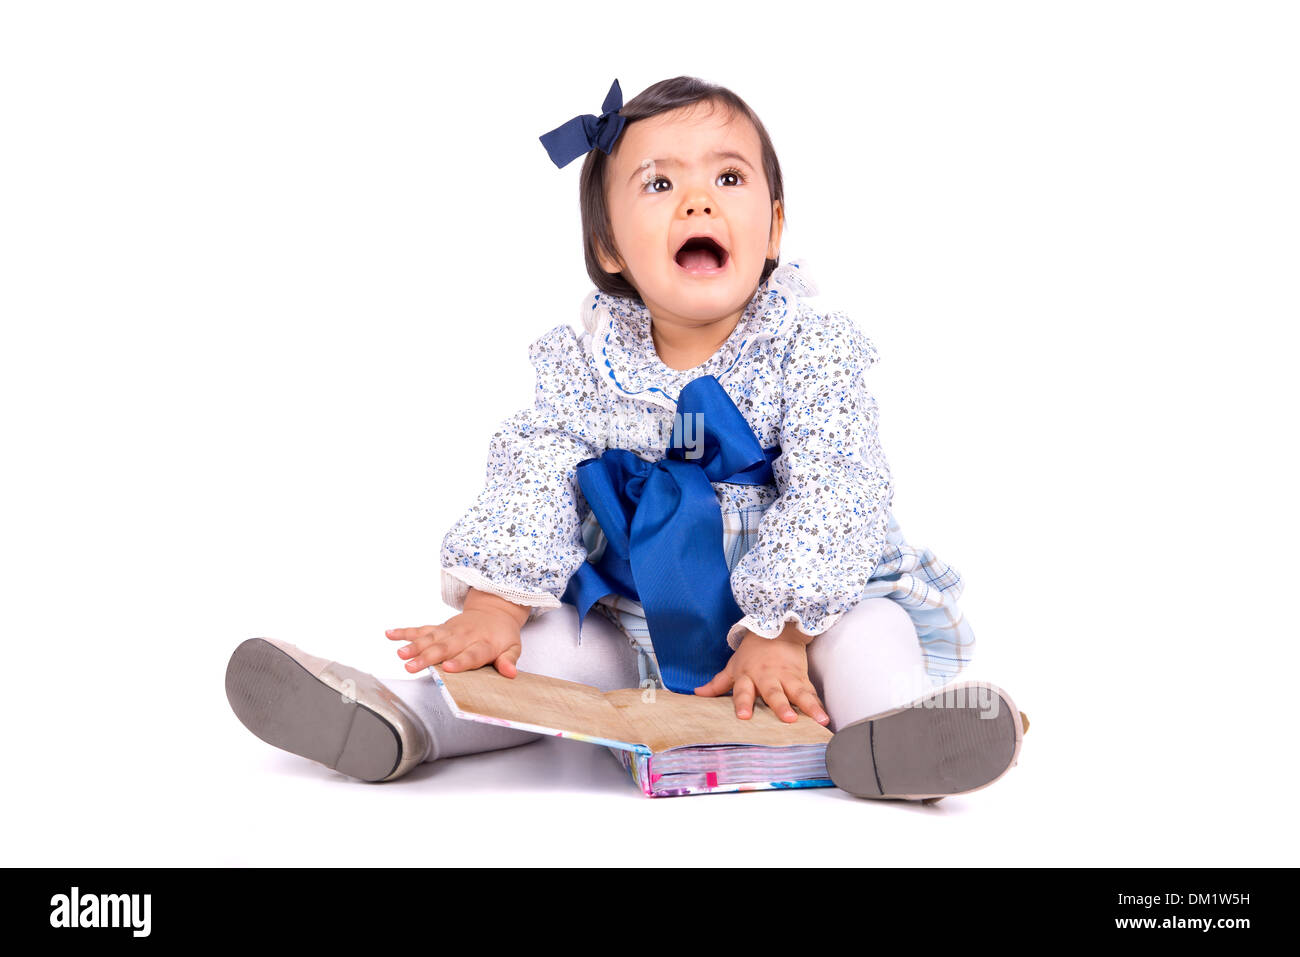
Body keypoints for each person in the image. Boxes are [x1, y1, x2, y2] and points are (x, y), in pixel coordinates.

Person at [226, 76, 1028, 801]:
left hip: (801, 615)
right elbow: (534, 463)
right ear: (610, 246)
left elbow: (840, 484)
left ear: (774, 226)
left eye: (728, 177)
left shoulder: (808, 350)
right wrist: (496, 602)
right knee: (544, 653)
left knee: (868, 633)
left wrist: (781, 632)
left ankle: (900, 734)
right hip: (635, 619)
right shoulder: (585, 365)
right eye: (658, 183)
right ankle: (407, 720)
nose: (697, 202)